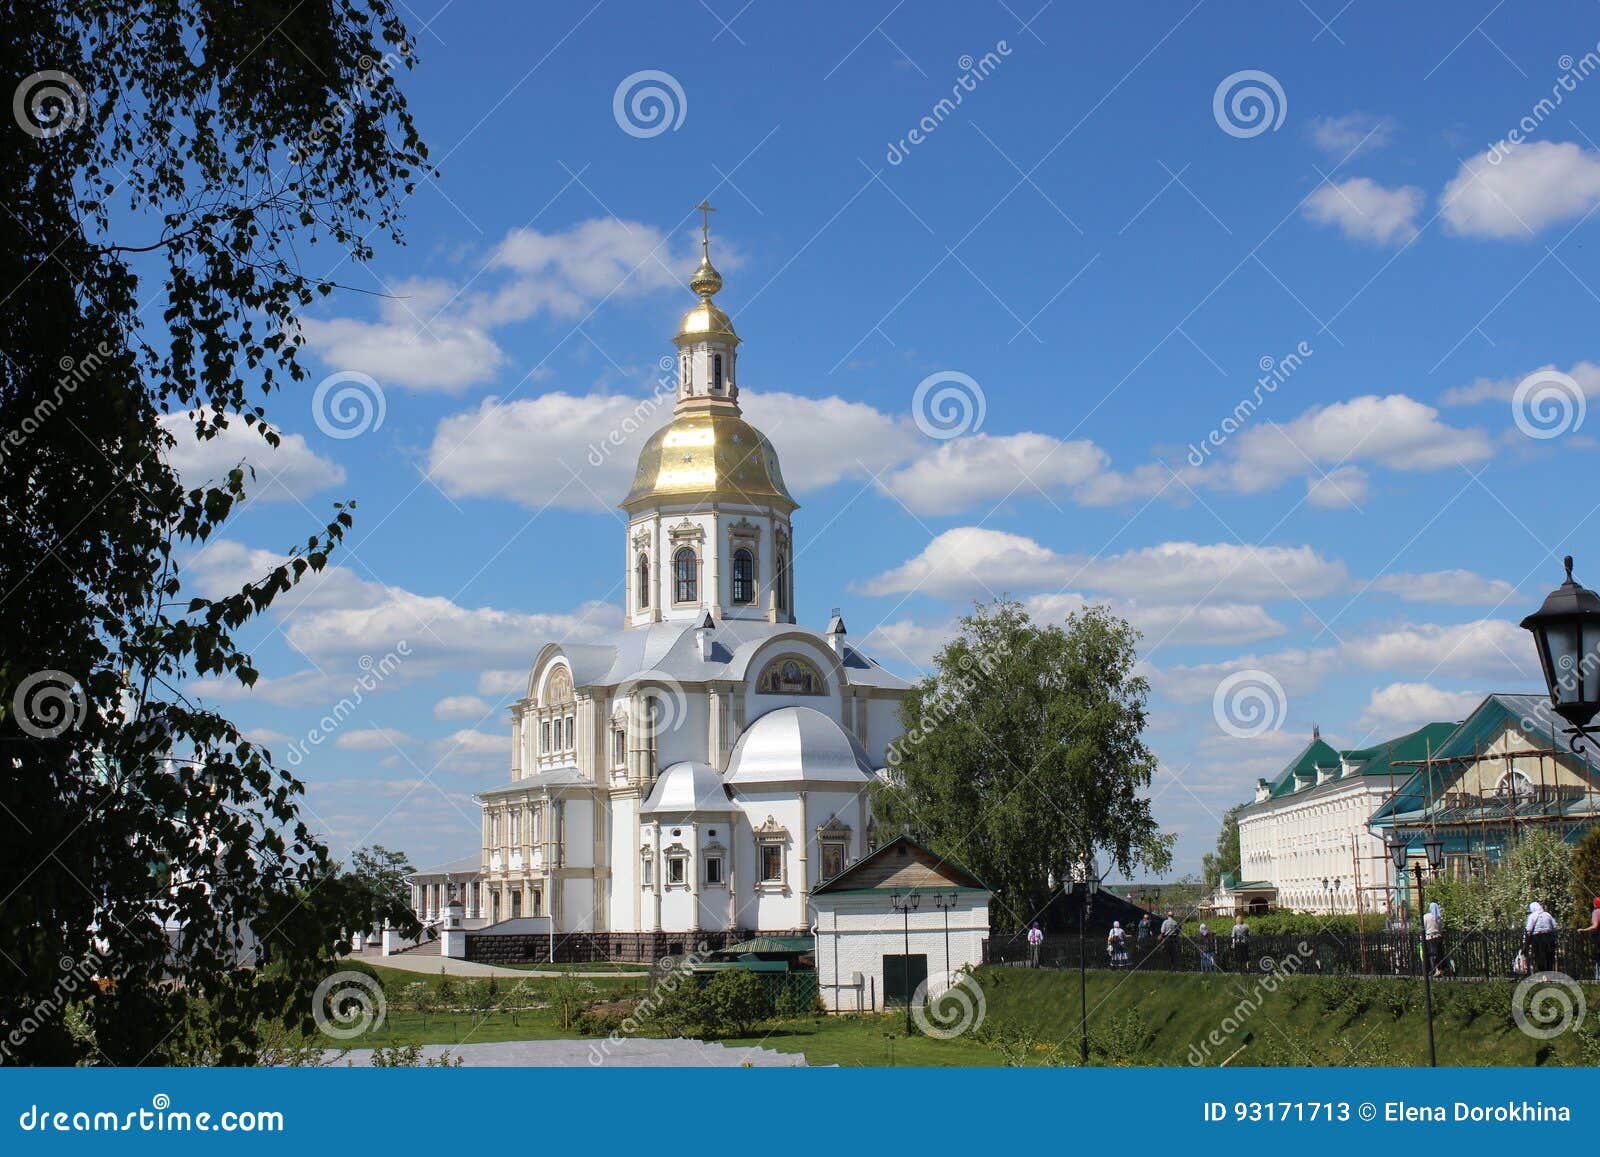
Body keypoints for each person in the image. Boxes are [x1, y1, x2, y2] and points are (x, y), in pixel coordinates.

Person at [1526, 901, 1558, 973]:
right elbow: (1555, 926)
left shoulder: (1532, 916)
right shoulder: (1548, 915)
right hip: (1549, 937)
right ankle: (1549, 972)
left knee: (1539, 956)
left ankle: (1543, 973)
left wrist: (1526, 941)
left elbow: (1529, 929)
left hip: (1537, 937)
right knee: (1549, 956)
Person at [1423, 901, 1445, 977]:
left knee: (1431, 955)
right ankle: (1440, 969)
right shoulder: (1439, 917)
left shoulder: (1426, 916)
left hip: (1429, 937)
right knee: (1439, 954)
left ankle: (1434, 970)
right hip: (1438, 937)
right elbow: (1440, 928)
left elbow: (1424, 927)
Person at [1582, 898, 1600, 981]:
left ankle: (1598, 977)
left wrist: (1584, 930)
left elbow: (1595, 925)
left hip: (1598, 936)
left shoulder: (1596, 912)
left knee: (1598, 956)